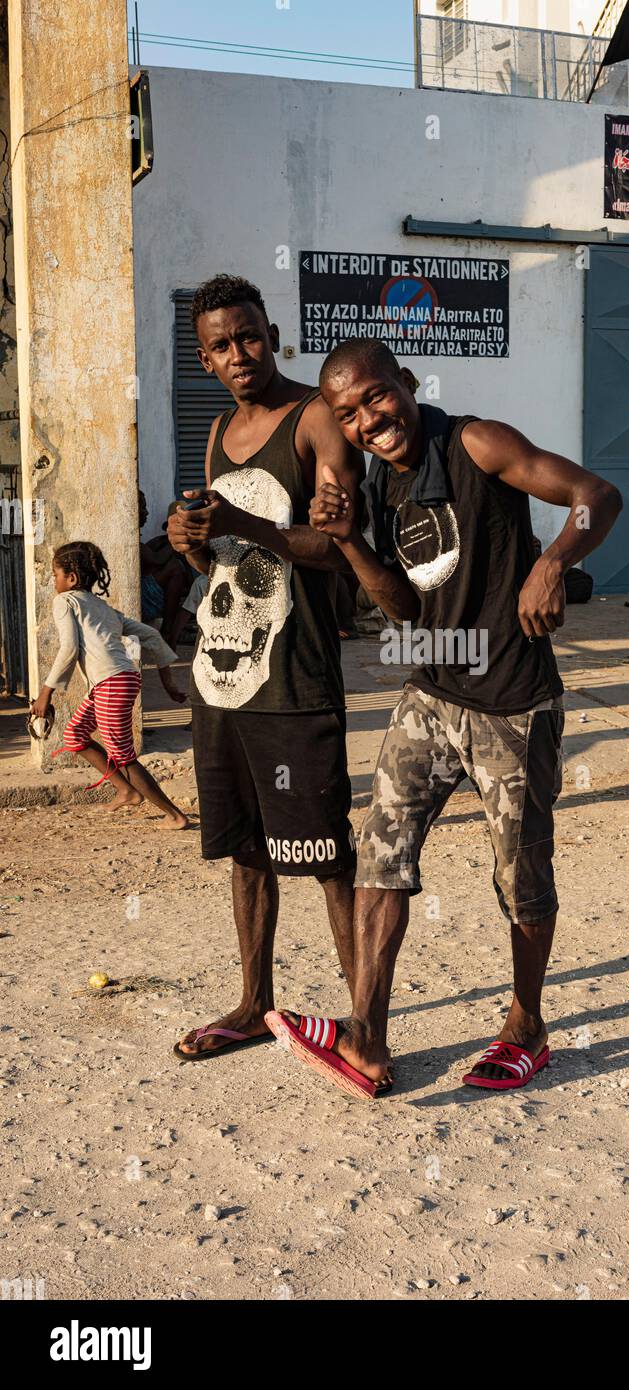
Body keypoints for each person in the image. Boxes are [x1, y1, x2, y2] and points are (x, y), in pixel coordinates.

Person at [265, 339, 622, 1098]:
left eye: (375, 397)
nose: (367, 420)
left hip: (512, 705)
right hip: (431, 694)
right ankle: (366, 1040)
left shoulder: (475, 442)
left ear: (405, 382)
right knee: (380, 851)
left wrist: (550, 562)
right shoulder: (377, 486)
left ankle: (526, 1027)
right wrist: (348, 541)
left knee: (520, 878)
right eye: (347, 413)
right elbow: (401, 609)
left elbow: (597, 493)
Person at [166, 274, 365, 1062]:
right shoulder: (217, 432)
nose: (238, 354)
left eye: (248, 336)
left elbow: (337, 549)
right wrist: (190, 540)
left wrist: (244, 520)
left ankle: (364, 1024)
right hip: (225, 677)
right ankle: (254, 1004)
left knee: (325, 858)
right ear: (205, 357)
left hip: (296, 679)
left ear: (272, 333)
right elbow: (224, 555)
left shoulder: (315, 420)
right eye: (219, 345)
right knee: (247, 850)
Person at [29, 541, 190, 828]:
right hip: (118, 680)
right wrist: (168, 682)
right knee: (76, 735)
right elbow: (151, 636)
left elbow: (68, 649)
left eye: (55, 574)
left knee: (124, 756)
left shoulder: (64, 601)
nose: (53, 580)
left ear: (72, 578)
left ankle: (175, 815)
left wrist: (45, 694)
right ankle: (126, 791)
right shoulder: (100, 607)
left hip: (111, 683)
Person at [139, 490, 192, 633]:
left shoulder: (196, 544)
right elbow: (156, 560)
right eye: (143, 508)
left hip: (184, 597)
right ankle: (168, 628)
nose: (147, 513)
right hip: (147, 600)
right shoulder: (156, 544)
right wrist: (173, 542)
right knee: (175, 567)